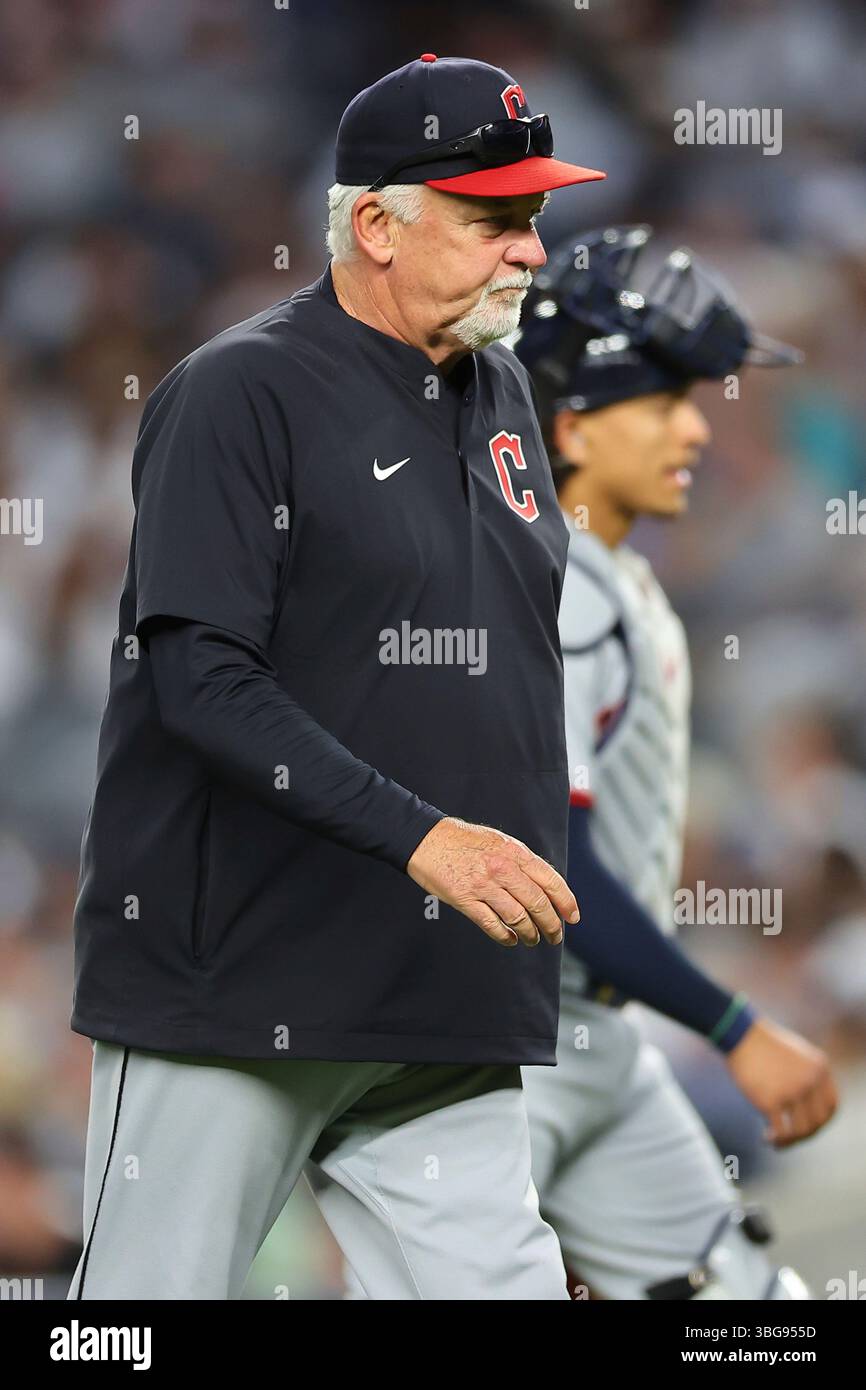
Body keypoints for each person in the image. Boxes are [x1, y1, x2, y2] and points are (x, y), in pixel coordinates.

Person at [65, 55, 608, 1301]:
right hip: (235, 987)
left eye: (530, 220)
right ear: (375, 223)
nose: (527, 252)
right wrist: (425, 841)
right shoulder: (239, 391)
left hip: (445, 1001)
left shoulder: (506, 390)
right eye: (490, 221)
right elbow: (198, 678)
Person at [512, 225, 838, 1298]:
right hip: (498, 1058)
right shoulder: (550, 590)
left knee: (751, 1312)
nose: (694, 432)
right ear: (570, 423)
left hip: (592, 1045)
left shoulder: (615, 582)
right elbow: (550, 856)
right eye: (663, 404)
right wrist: (733, 1025)